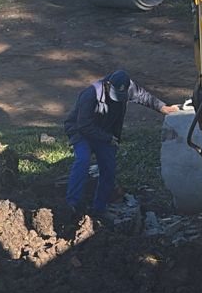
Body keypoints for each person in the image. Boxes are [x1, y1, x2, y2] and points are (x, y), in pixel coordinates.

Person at [63, 70, 180, 223]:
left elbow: (144, 96)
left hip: (105, 133)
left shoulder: (128, 86)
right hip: (82, 132)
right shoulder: (90, 94)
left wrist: (163, 108)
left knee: (109, 170)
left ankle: (99, 208)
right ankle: (72, 204)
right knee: (82, 161)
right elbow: (84, 125)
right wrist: (108, 138)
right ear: (108, 85)